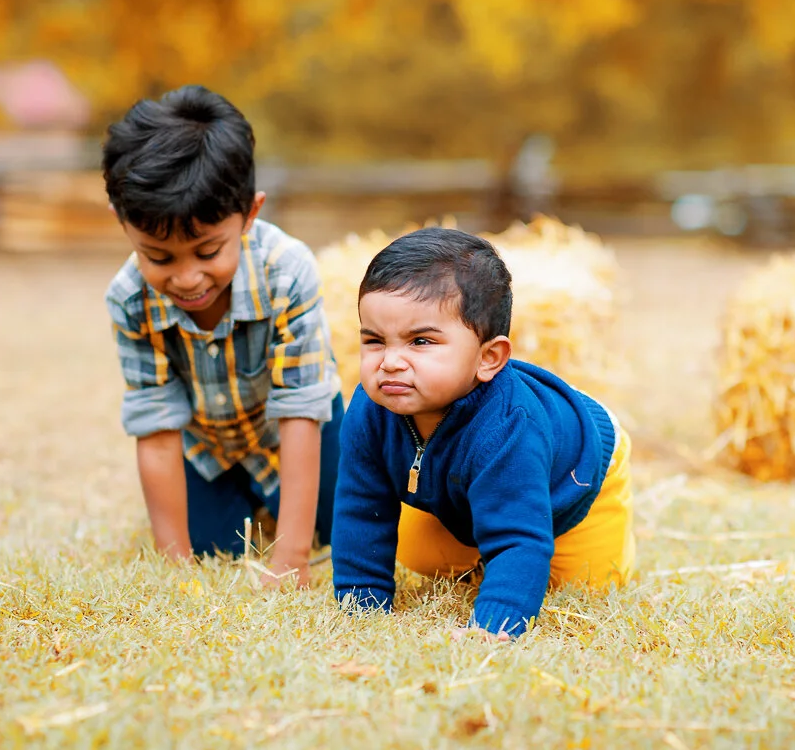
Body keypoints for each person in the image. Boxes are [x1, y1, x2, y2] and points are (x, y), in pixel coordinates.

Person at [331, 227, 635, 637]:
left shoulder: (509, 430)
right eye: (374, 341)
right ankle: (486, 540)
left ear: (488, 358)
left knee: (585, 582)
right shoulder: (370, 409)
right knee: (419, 554)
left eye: (420, 341)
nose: (390, 363)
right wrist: (361, 605)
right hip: (470, 479)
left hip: (579, 467)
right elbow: (360, 507)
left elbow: (519, 539)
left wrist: (494, 627)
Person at [103, 85, 341, 587]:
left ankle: (290, 513)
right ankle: (245, 501)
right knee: (214, 546)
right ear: (123, 224)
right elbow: (157, 426)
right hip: (208, 446)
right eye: (159, 258)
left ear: (250, 214)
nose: (187, 279)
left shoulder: (287, 270)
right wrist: (176, 567)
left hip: (300, 430)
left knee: (337, 528)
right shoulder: (129, 299)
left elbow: (301, 408)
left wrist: (292, 558)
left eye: (208, 252)